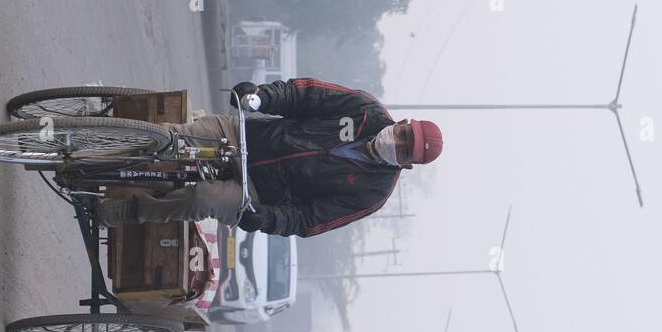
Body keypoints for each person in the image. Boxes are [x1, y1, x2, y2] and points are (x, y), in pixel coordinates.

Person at [95, 78, 443, 238]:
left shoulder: (373, 193)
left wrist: (267, 219)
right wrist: (261, 98)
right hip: (247, 135)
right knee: (176, 136)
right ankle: (96, 143)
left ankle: (131, 211)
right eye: (402, 134)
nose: (395, 141)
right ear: (400, 123)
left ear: (405, 165)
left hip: (256, 194)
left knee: (204, 198)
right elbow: (304, 95)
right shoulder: (364, 109)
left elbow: (309, 220)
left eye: (402, 149)